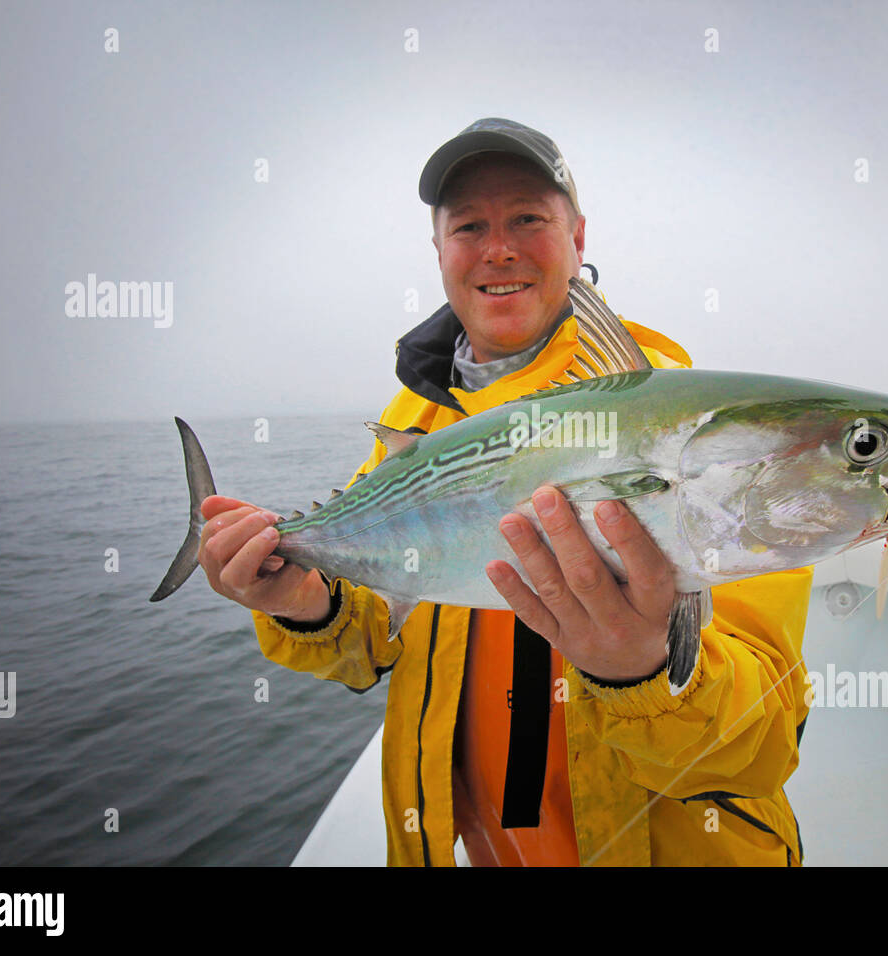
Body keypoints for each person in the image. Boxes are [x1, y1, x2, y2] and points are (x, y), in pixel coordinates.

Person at [196, 118, 813, 866]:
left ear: (578, 237)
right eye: (469, 226)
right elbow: (369, 640)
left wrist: (643, 669)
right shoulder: (412, 424)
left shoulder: (700, 437)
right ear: (438, 251)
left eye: (528, 218)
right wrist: (304, 603)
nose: (499, 248)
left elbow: (760, 745)